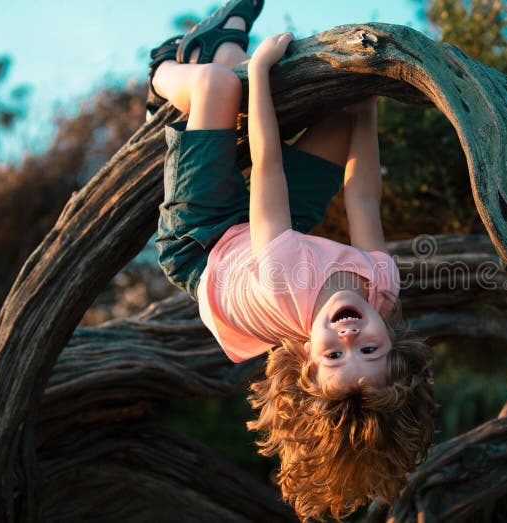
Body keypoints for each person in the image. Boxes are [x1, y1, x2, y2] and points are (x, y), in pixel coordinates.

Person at [147, 0, 435, 520]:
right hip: (273, 231)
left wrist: (258, 72)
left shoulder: (285, 280)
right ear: (394, 346)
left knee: (219, 86)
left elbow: (268, 165)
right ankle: (218, 44)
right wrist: (368, 101)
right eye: (369, 350)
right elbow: (363, 197)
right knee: (341, 115)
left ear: (305, 357)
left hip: (203, 241)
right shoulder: (381, 289)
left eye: (334, 356)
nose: (350, 337)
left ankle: (163, 73)